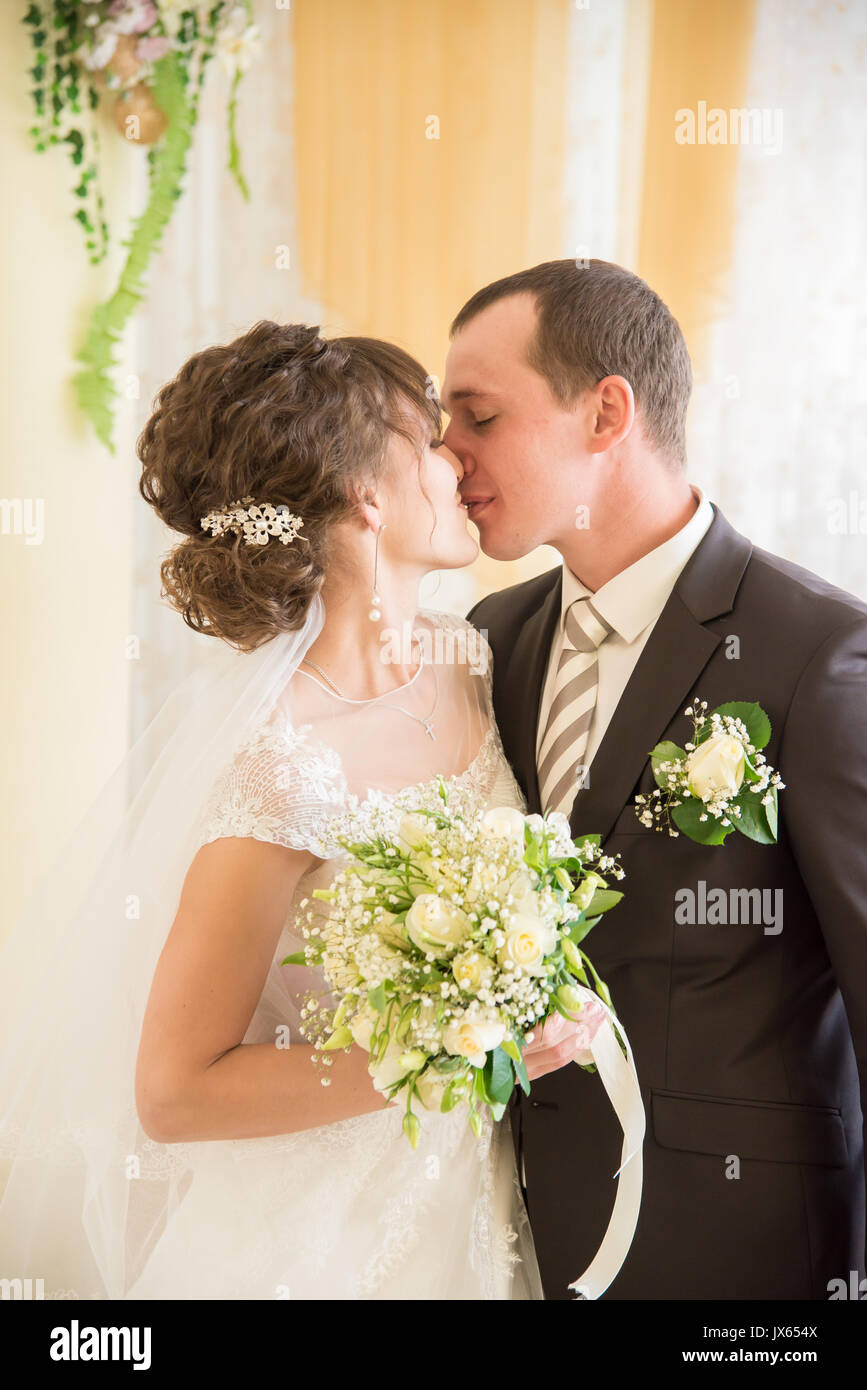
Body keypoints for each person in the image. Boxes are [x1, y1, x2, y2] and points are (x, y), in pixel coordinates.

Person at [0, 321, 557, 1300]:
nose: (455, 457)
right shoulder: (281, 769)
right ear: (365, 493)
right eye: (429, 436)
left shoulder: (474, 662)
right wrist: (442, 1052)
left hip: (474, 1214)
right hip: (316, 1251)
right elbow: (174, 1091)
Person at [443, 258, 867, 1301]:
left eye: (478, 416)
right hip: (521, 1228)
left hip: (747, 1254)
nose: (446, 454)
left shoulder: (818, 652)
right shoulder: (488, 643)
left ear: (605, 412)